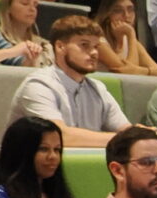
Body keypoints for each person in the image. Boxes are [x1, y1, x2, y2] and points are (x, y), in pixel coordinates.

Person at [7, 16, 131, 147]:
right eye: (85, 45)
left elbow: (126, 130)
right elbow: (59, 137)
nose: (94, 52)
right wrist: (126, 139)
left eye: (96, 46)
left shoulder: (98, 89)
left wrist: (141, 134)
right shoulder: (38, 85)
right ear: (60, 47)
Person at [92, 0, 157, 77]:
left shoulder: (131, 41)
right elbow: (128, 75)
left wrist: (140, 71)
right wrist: (131, 34)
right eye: (118, 10)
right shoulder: (98, 41)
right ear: (107, 14)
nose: (127, 15)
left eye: (131, 10)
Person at [0, 0, 54, 68]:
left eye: (35, 5)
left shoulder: (45, 45)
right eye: (25, 3)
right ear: (8, 8)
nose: (32, 9)